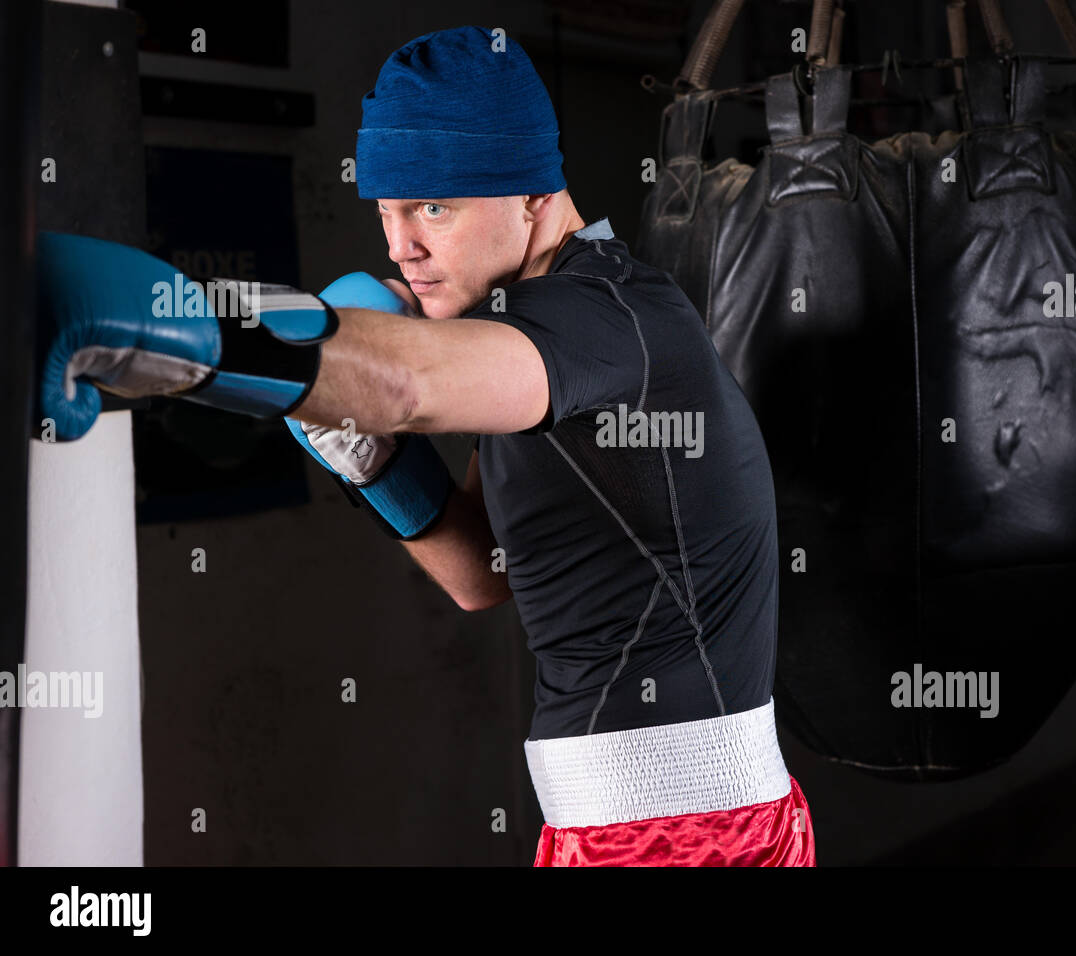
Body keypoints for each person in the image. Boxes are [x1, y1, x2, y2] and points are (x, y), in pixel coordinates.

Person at [34, 25, 814, 867]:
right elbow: (483, 575)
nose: (400, 246)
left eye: (433, 207)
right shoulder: (521, 332)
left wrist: (178, 323)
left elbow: (407, 384)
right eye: (386, 211)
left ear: (532, 193)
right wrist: (368, 458)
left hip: (701, 834)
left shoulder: (608, 320)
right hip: (604, 828)